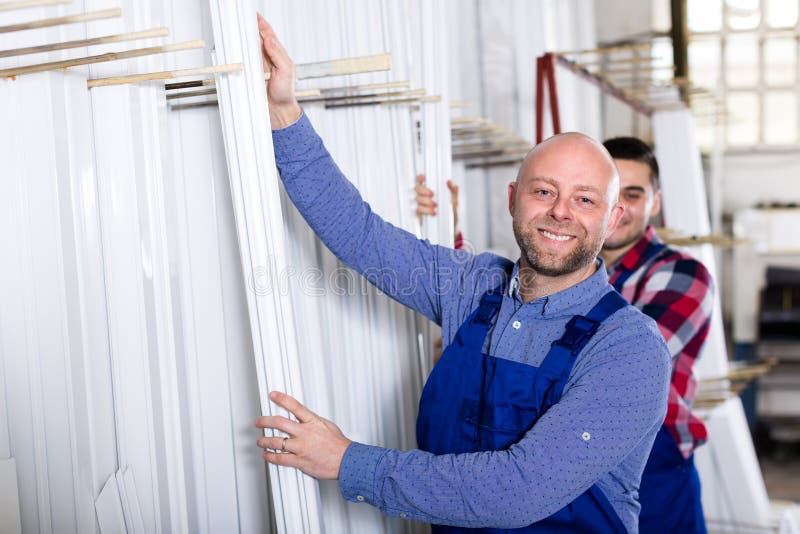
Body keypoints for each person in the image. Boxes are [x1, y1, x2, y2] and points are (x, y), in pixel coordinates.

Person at [253, 13, 671, 532]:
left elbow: (518, 490)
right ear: (513, 199)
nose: (560, 212)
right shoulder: (471, 287)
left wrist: (347, 461)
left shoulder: (629, 349)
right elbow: (359, 234)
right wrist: (283, 112)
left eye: (584, 199)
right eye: (543, 191)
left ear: (612, 219)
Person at [600, 137, 714, 534]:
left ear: (655, 202)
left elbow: (625, 364)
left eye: (633, 194)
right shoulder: (568, 270)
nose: (618, 207)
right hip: (579, 463)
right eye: (608, 192)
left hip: (654, 471)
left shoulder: (682, 274)